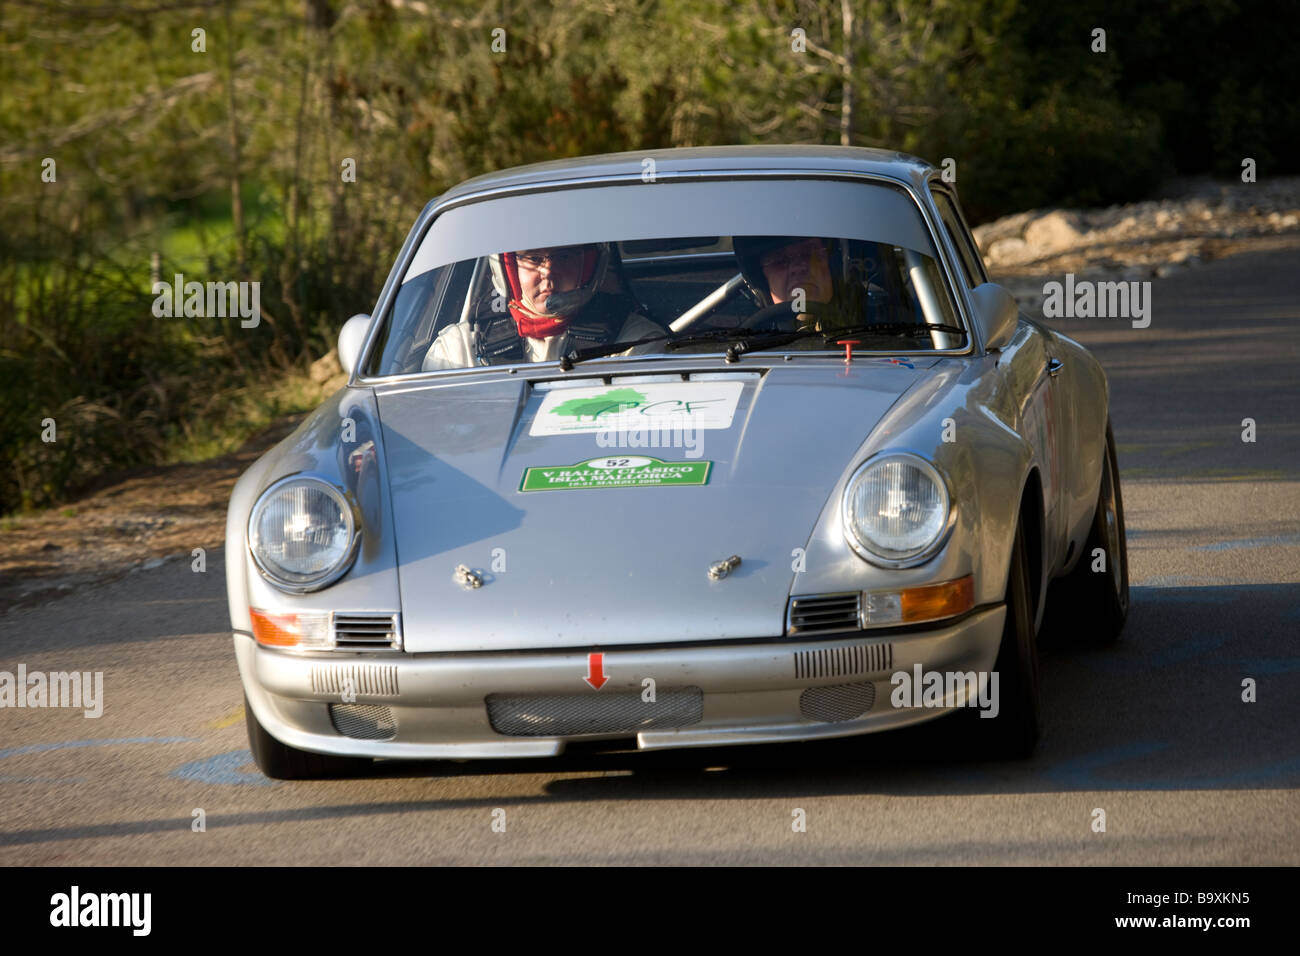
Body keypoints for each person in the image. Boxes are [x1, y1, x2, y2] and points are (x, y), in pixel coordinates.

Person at [424, 242, 662, 369]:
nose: (548, 271)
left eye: (564, 257)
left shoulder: (636, 342)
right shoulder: (459, 349)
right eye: (533, 259)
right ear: (507, 268)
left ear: (589, 265)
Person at [732, 235, 872, 332]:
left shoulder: (884, 328)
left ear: (833, 265)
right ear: (762, 281)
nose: (797, 267)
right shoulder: (739, 344)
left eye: (809, 254)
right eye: (779, 260)